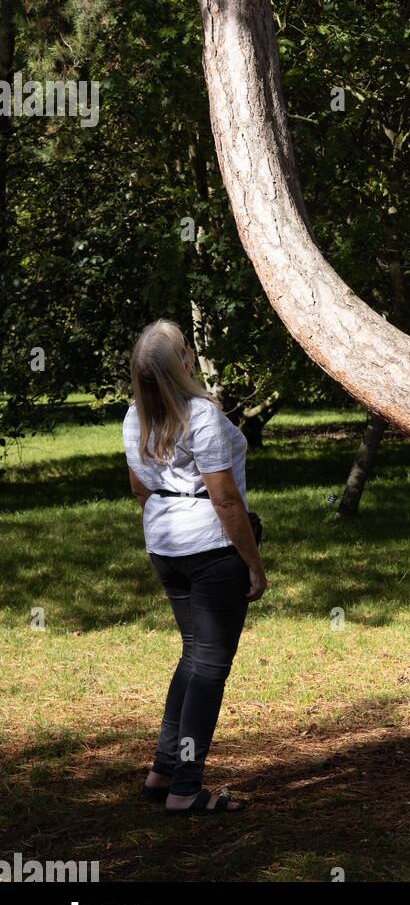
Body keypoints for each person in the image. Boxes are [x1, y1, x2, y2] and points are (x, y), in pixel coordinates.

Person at [122, 319, 266, 815]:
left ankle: (163, 770)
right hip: (211, 548)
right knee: (209, 667)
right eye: (186, 347)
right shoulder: (200, 414)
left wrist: (169, 526)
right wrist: (254, 563)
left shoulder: (132, 418)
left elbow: (140, 490)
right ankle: (185, 788)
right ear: (180, 363)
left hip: (165, 547)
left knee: (193, 656)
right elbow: (226, 500)